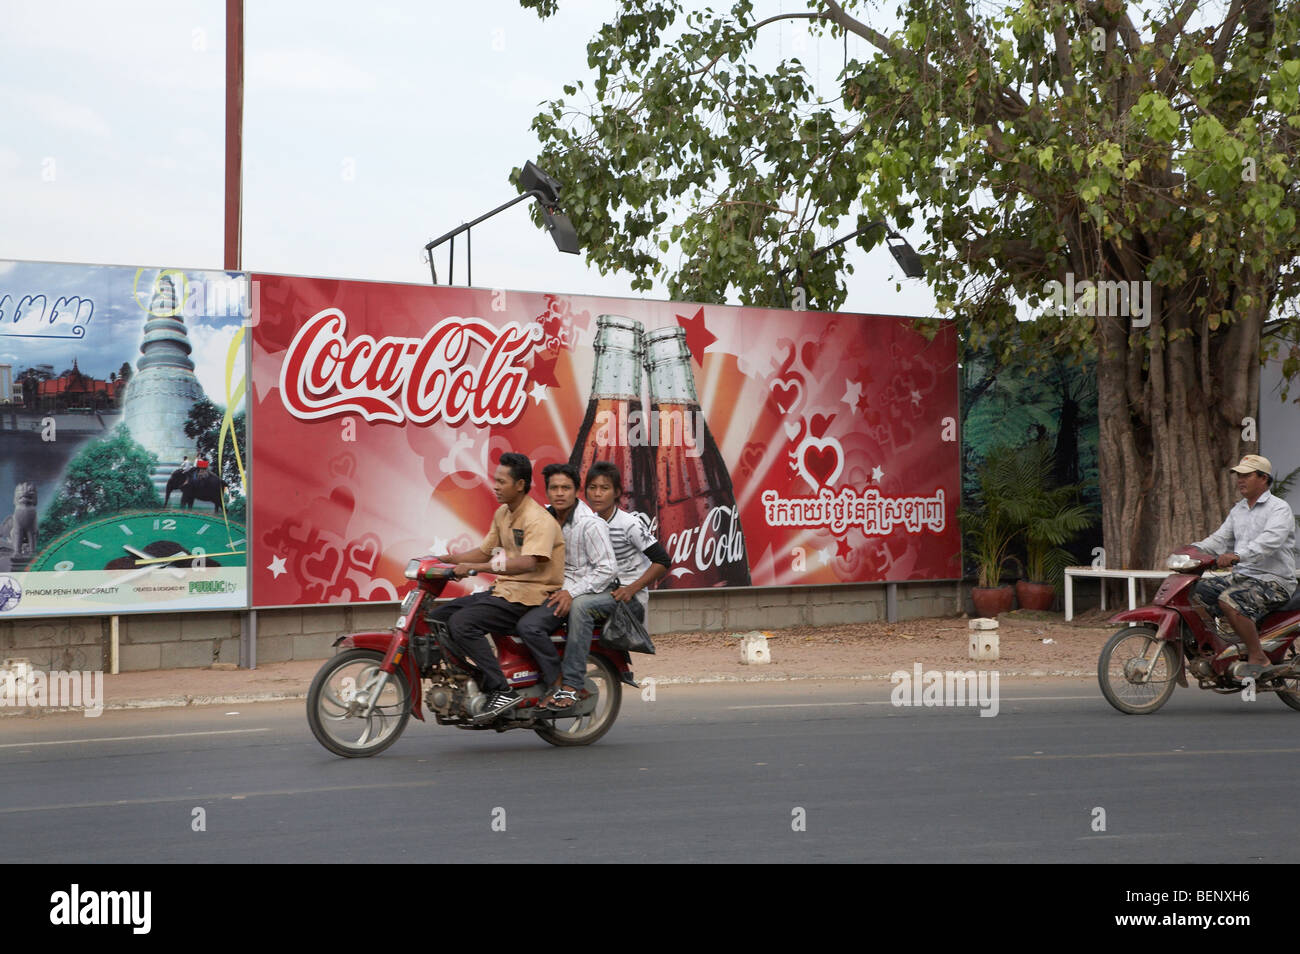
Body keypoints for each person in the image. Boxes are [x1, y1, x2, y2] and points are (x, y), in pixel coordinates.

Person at [431, 453, 565, 720]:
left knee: (462, 623)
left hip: (529, 596)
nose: (496, 486)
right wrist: (446, 560)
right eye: (495, 480)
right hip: (505, 591)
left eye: (502, 481)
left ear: (520, 485)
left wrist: (477, 569)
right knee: (437, 618)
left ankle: (502, 690)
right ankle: (473, 678)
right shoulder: (503, 513)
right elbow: (484, 552)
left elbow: (527, 563)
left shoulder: (538, 519)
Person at [548, 461, 671, 710]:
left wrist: (631, 588)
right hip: (601, 590)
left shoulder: (628, 524)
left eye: (604, 488)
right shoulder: (584, 520)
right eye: (592, 488)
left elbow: (662, 561)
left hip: (626, 600)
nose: (597, 494)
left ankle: (571, 685)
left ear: (617, 492)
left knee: (580, 606)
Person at [516, 463, 617, 702]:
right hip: (550, 588)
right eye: (554, 488)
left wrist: (572, 593)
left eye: (566, 488)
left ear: (576, 491)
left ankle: (562, 684)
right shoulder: (544, 518)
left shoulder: (590, 524)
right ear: (547, 491)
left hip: (581, 591)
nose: (560, 493)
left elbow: (607, 569)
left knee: (529, 626)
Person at [1189, 454, 1297, 677]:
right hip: (1242, 577)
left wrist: (1237, 556)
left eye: (1246, 475)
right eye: (1238, 475)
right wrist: (1192, 550)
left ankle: (1258, 656)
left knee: (1231, 600)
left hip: (1273, 580)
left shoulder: (1279, 509)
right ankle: (1221, 646)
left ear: (1263, 478)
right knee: (1193, 592)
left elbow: (1268, 542)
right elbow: (1219, 540)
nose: (1240, 480)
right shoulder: (1239, 510)